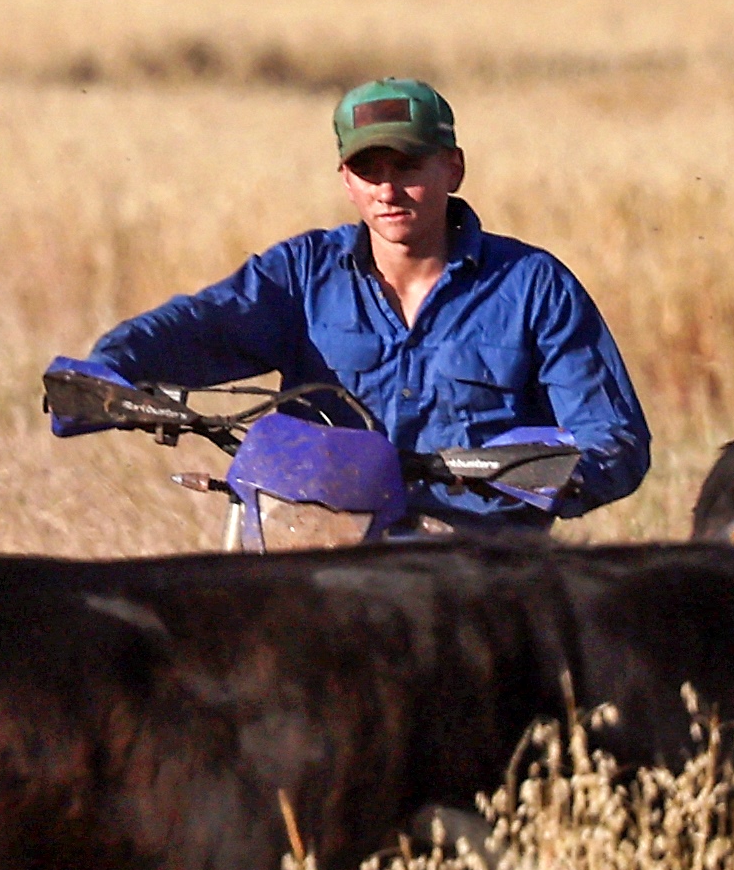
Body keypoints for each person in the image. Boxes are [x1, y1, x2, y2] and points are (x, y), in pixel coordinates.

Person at [51, 78, 649, 534]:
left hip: (478, 572)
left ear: (454, 168)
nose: (387, 189)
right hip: (317, 562)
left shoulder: (534, 287)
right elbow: (198, 328)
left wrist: (543, 478)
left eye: (408, 166)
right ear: (345, 178)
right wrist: (111, 370)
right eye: (368, 169)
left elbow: (614, 438)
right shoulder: (300, 275)